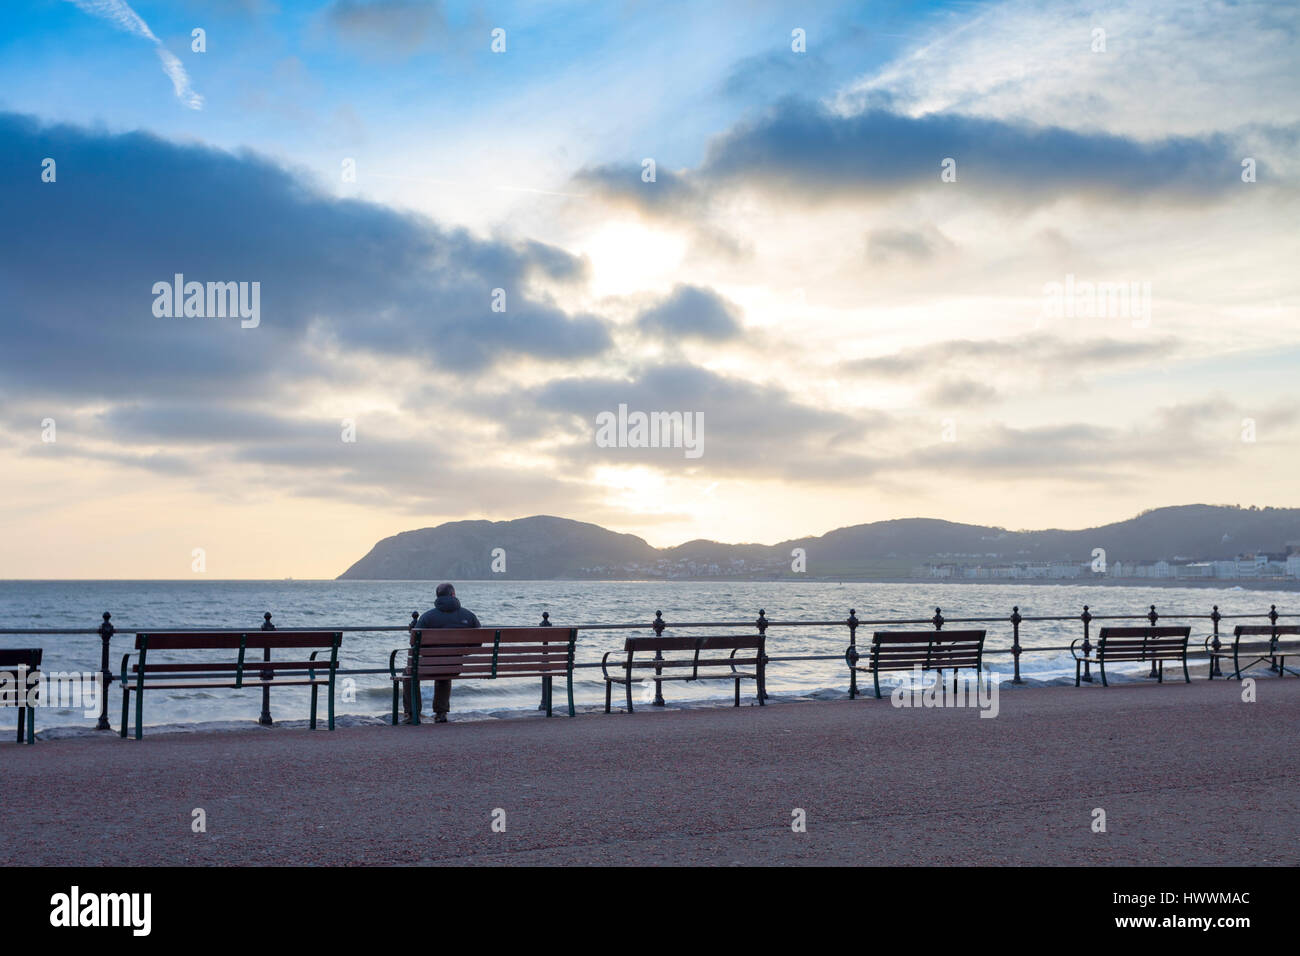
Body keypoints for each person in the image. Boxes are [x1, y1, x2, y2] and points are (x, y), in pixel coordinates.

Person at [407, 583, 481, 723]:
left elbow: (414, 644)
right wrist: (461, 651)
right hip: (456, 667)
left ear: (438, 597)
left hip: (431, 666)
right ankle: (441, 713)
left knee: (409, 673)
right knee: (446, 668)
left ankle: (412, 714)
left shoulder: (427, 617)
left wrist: (413, 630)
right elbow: (478, 643)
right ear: (453, 594)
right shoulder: (469, 616)